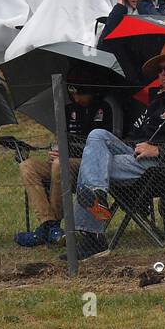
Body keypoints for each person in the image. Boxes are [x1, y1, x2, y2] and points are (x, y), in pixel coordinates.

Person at [67, 42, 165, 259]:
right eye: (160, 70)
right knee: (97, 135)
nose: (162, 74)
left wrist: (160, 151)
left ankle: (92, 237)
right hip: (137, 152)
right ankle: (97, 194)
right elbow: (140, 133)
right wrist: (130, 145)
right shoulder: (159, 98)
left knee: (94, 166)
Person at [13, 78, 115, 247]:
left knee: (59, 164)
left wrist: (65, 152)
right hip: (63, 161)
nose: (75, 97)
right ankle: (48, 224)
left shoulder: (104, 109)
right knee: (27, 166)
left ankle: (53, 228)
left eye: (80, 93)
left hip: (87, 164)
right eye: (72, 92)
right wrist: (56, 148)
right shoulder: (66, 110)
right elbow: (61, 138)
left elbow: (103, 145)